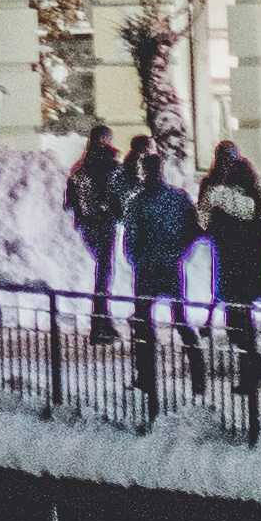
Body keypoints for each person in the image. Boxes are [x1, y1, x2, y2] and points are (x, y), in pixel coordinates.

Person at [197, 148, 261, 382]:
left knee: (237, 323)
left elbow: (208, 228)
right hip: (254, 267)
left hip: (232, 266)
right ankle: (252, 368)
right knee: (244, 319)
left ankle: (252, 369)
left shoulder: (222, 203)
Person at [117, 146, 208, 354]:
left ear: (144, 171)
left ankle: (145, 374)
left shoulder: (137, 203)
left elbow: (130, 238)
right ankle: (197, 373)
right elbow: (193, 229)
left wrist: (136, 258)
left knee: (142, 318)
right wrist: (180, 251)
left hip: (147, 266)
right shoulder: (178, 198)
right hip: (171, 264)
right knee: (180, 317)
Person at [62, 130, 138, 332]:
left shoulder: (80, 168)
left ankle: (101, 320)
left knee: (103, 269)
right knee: (105, 271)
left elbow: (69, 202)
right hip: (104, 223)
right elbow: (119, 192)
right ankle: (101, 321)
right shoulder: (109, 165)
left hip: (88, 224)